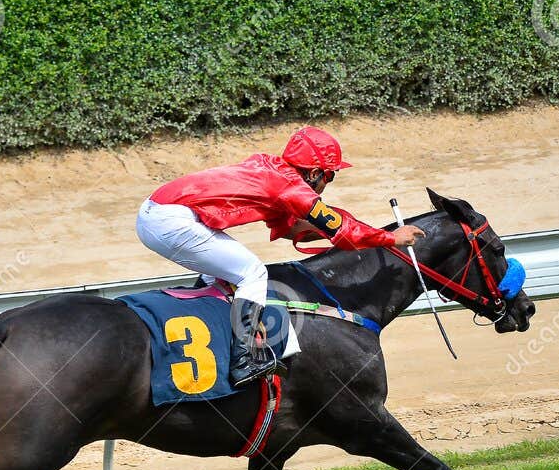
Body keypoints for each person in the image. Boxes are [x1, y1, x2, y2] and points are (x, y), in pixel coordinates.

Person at [136, 126, 425, 385]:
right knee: (253, 273)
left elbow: (292, 228)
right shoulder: (290, 187)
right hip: (172, 220)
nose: (328, 183)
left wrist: (358, 233)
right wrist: (391, 237)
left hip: (159, 213)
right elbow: (340, 229)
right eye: (330, 175)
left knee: (222, 275)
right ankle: (243, 361)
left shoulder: (272, 169)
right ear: (314, 173)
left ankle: (213, 335)